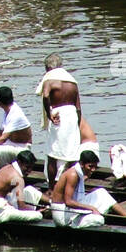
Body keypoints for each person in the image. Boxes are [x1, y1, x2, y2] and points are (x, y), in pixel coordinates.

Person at [38, 55, 95, 184]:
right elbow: (79, 108)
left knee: (53, 154)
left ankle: (52, 188)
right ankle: (69, 184)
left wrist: (49, 113)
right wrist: (77, 124)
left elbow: (46, 95)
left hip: (59, 114)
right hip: (72, 115)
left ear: (48, 68)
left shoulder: (50, 80)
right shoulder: (72, 82)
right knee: (72, 154)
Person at [51, 147, 126, 228]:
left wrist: (87, 178)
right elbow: (68, 202)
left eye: (95, 167)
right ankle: (77, 222)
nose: (93, 170)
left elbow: (77, 185)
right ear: (82, 164)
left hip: (68, 210)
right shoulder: (73, 175)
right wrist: (91, 208)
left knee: (101, 192)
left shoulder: (77, 171)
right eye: (90, 166)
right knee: (99, 219)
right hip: (62, 216)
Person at [0, 151, 44, 223]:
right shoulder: (18, 179)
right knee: (38, 216)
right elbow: (22, 207)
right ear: (19, 162)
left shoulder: (7, 167)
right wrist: (36, 211)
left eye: (31, 168)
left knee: (29, 190)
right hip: (1, 213)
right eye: (27, 167)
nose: (29, 170)